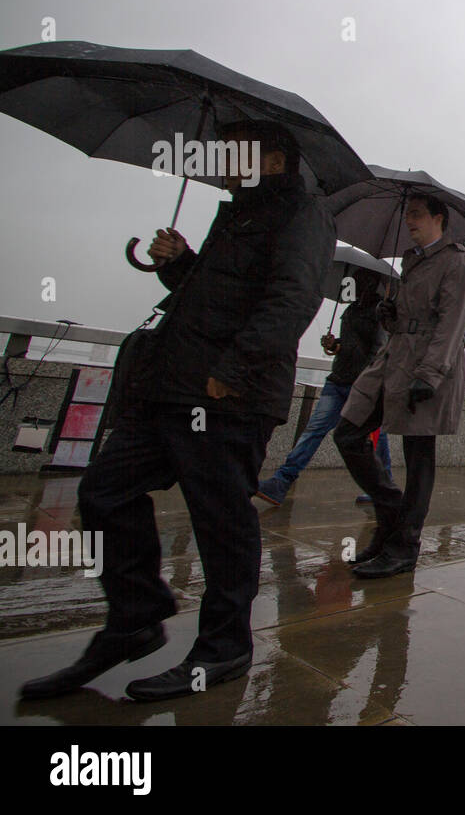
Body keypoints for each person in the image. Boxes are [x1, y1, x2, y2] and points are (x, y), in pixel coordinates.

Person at [22, 121, 335, 703]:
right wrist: (179, 262)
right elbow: (211, 295)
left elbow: (294, 296)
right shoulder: (238, 210)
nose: (220, 161)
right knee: (104, 492)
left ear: (269, 158)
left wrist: (233, 371)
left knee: (221, 522)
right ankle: (137, 616)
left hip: (228, 394)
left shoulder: (302, 213)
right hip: (171, 386)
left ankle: (224, 646)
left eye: (231, 152)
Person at [333, 192, 465, 578]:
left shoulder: (457, 263)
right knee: (347, 434)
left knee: (418, 454)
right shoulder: (411, 261)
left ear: (438, 219)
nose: (409, 222)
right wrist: (390, 315)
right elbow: (408, 318)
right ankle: (390, 512)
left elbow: (452, 324)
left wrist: (429, 375)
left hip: (428, 368)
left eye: (416, 215)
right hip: (392, 362)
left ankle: (403, 545)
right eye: (407, 214)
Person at [255, 268, 392, 506]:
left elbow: (377, 351)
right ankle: (282, 481)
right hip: (337, 381)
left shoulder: (380, 313)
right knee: (314, 431)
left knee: (375, 437)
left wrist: (367, 384)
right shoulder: (351, 309)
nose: (354, 284)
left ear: (371, 284)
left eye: (360, 281)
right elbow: (351, 346)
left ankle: (383, 487)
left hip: (361, 386)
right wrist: (335, 345)